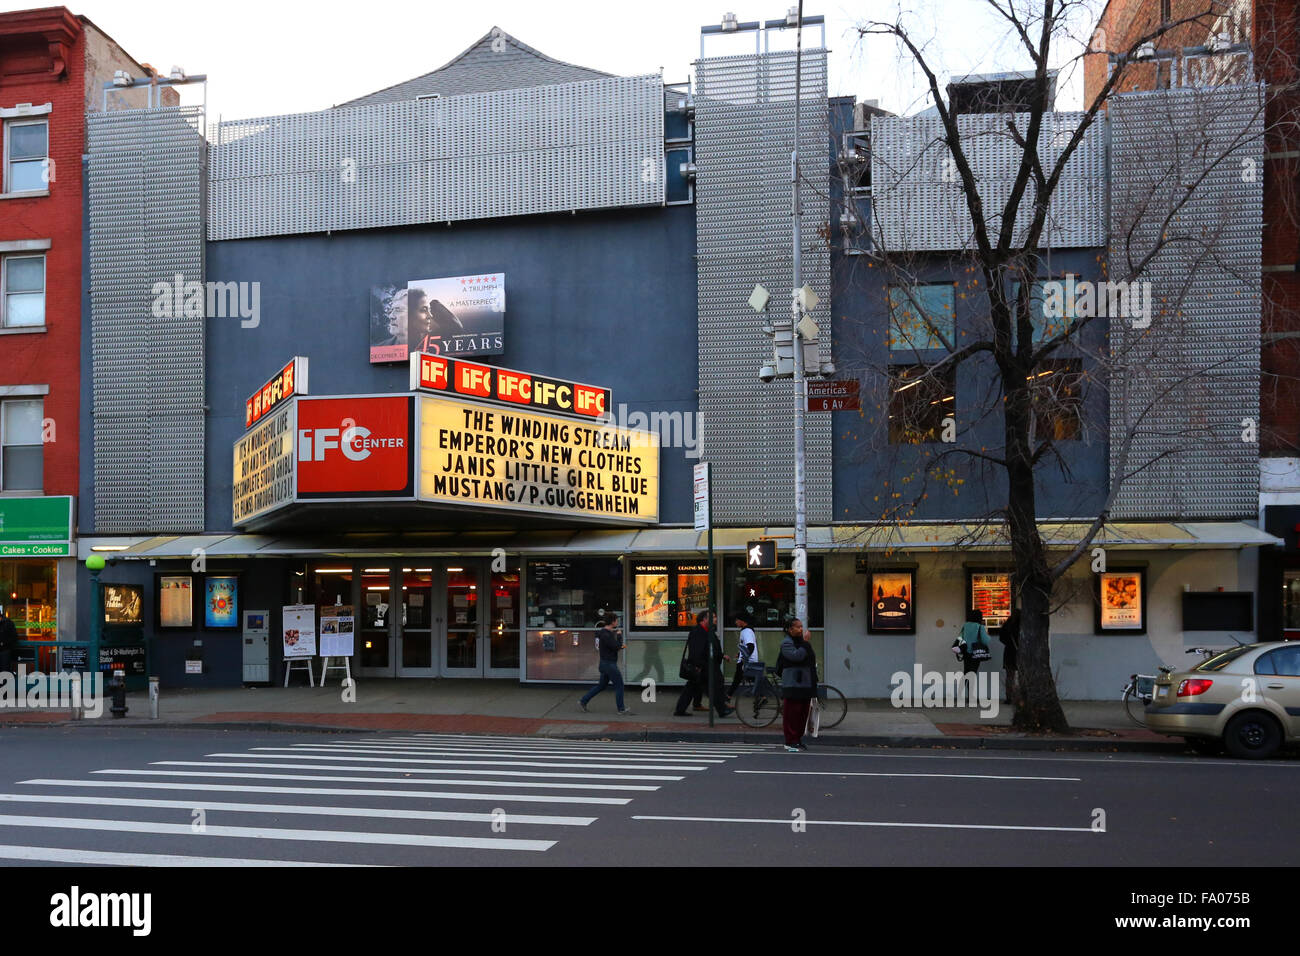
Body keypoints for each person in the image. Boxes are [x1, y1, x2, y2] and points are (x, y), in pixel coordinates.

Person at [674, 610, 732, 717]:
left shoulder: (708, 631)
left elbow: (711, 648)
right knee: (712, 687)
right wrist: (699, 666)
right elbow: (697, 651)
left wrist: (721, 655)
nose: (715, 619)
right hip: (703, 666)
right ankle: (722, 709)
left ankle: (680, 710)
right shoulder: (698, 632)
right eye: (713, 617)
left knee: (691, 688)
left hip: (705, 665)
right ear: (704, 619)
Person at [578, 614, 633, 715]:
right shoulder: (606, 634)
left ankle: (583, 701)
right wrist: (619, 636)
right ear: (612, 622)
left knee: (602, 685)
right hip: (609, 664)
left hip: (604, 663)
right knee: (619, 685)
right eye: (616, 621)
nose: (617, 622)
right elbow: (616, 646)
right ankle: (621, 709)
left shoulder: (605, 633)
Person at [777, 618, 817, 751]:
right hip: (793, 683)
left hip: (806, 682)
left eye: (801, 627)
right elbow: (796, 656)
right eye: (797, 627)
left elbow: (809, 657)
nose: (801, 629)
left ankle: (797, 739)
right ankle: (790, 740)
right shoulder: (786, 643)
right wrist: (805, 643)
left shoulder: (802, 643)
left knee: (803, 713)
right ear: (790, 629)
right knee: (792, 713)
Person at [952, 609, 993, 703]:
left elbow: (960, 637)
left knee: (966, 673)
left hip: (966, 652)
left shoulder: (965, 625)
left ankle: (961, 695)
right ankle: (971, 697)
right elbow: (986, 640)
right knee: (972, 673)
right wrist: (988, 635)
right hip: (975, 653)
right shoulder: (980, 627)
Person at [726, 611, 759, 700]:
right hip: (747, 660)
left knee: (738, 679)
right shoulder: (747, 630)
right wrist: (740, 653)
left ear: (742, 621)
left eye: (737, 620)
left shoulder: (746, 631)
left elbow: (750, 646)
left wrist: (744, 658)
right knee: (746, 678)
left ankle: (728, 696)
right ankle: (728, 696)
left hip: (746, 661)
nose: (735, 622)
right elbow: (748, 646)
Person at [999, 608, 1021, 705]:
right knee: (1022, 676)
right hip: (1020, 653)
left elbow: (1001, 638)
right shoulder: (1022, 626)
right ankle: (1021, 697)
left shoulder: (1007, 625)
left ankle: (1009, 697)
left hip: (1008, 652)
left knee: (1010, 676)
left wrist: (1009, 644)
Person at [0, 606, 18, 674]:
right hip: (5, 651)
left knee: (4, 672)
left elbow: (14, 637)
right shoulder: (8, 622)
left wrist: (3, 643)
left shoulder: (8, 623)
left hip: (4, 651)